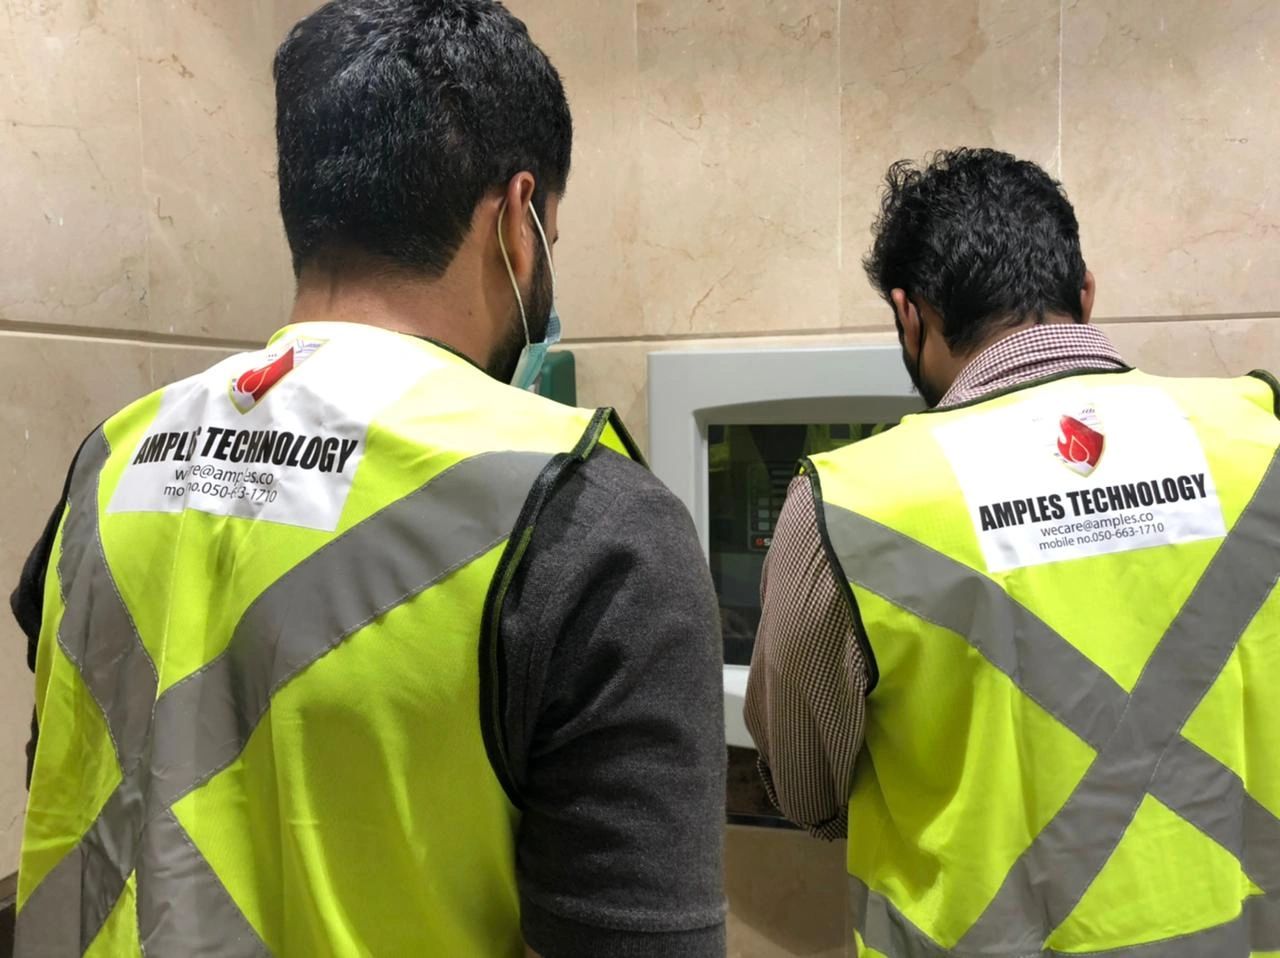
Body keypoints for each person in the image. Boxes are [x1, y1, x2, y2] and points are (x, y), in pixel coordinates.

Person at [10, 2, 727, 955]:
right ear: (517, 220)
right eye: (550, 233)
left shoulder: (109, 460)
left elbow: (74, 780)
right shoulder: (587, 523)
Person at [746, 148, 1280, 956]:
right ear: (1085, 293)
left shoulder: (851, 504)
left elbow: (805, 789)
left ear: (909, 315)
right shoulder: (1258, 438)